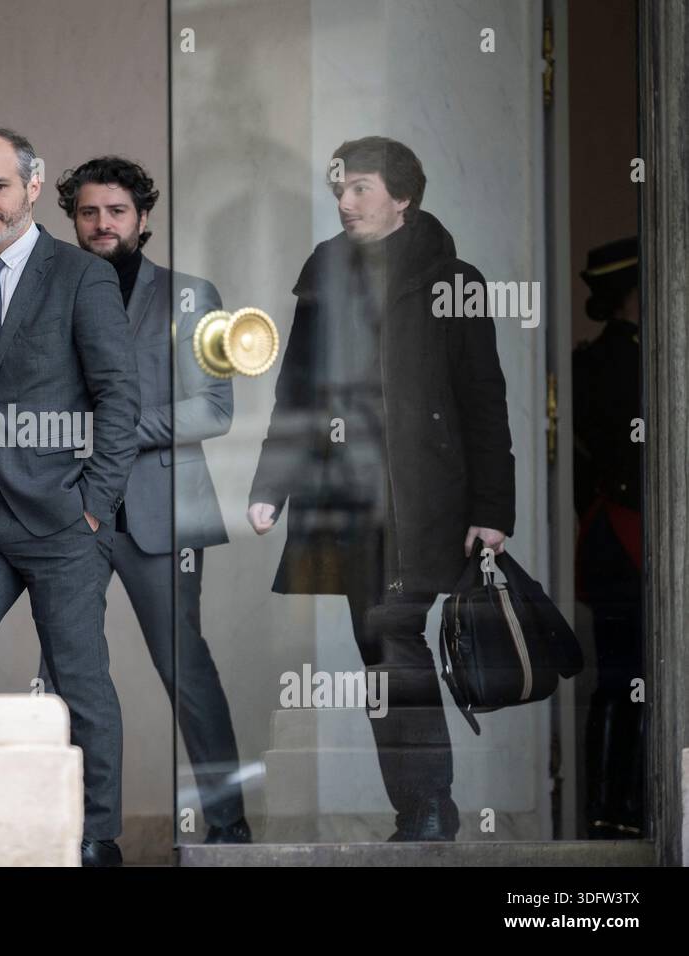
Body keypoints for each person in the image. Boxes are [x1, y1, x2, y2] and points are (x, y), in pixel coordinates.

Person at [247, 136, 515, 841]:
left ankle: (428, 808)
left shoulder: (453, 277)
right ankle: (422, 810)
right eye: (339, 188)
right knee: (379, 644)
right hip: (345, 493)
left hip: (428, 493)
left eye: (361, 187)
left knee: (395, 632)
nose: (344, 201)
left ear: (402, 198)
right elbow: (296, 390)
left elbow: (482, 397)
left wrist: (492, 507)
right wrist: (273, 484)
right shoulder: (324, 273)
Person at [0, 128, 140, 866]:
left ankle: (94, 836)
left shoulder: (81, 276)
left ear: (32, 186)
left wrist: (95, 503)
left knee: (79, 680)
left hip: (62, 517)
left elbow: (119, 397)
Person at [48, 156, 249, 843]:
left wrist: (116, 434)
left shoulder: (195, 296)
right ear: (71, 220)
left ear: (143, 217)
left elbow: (216, 410)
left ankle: (229, 830)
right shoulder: (50, 294)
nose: (102, 224)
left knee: (186, 672)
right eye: (88, 213)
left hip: (162, 518)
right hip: (70, 516)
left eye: (117, 211)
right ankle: (80, 833)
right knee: (63, 674)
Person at [572, 236, 644, 838]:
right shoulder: (632, 361)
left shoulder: (588, 360)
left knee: (618, 676)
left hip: (605, 534)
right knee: (630, 675)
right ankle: (621, 810)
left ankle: (607, 806)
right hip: (629, 535)